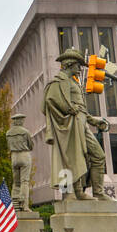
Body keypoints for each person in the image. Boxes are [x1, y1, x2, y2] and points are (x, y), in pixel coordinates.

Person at [41, 48, 90, 199]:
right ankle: (70, 192)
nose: (80, 68)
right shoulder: (59, 81)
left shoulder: (72, 82)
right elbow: (50, 100)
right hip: (68, 123)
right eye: (78, 65)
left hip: (81, 122)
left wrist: (90, 118)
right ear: (70, 64)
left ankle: (91, 192)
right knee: (68, 158)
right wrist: (70, 109)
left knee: (91, 155)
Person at [5, 113, 34, 209]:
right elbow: (31, 145)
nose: (22, 121)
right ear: (19, 121)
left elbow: (8, 146)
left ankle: (15, 204)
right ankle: (24, 205)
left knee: (16, 182)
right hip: (24, 155)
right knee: (24, 181)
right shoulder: (25, 132)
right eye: (21, 120)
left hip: (14, 156)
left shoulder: (8, 133)